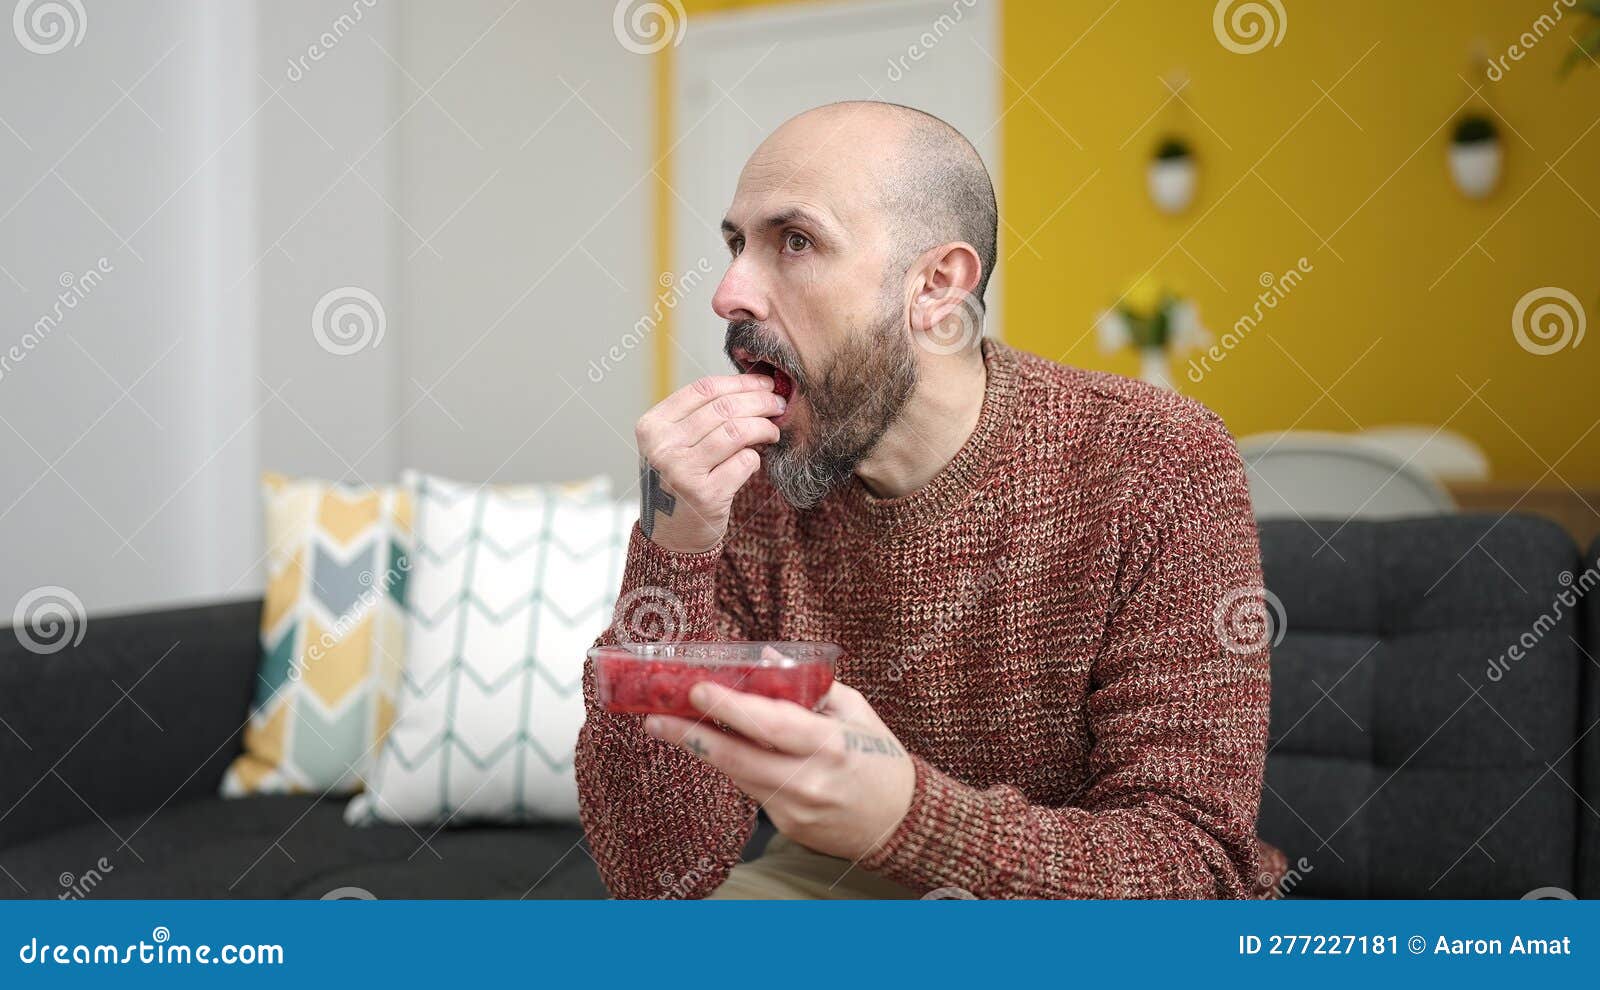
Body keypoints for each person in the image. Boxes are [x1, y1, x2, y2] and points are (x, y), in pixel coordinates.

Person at [575, 100, 1284, 899]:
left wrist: (907, 817)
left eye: (795, 241)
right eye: (738, 245)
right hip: (837, 876)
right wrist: (673, 547)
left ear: (937, 285)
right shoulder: (750, 484)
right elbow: (656, 878)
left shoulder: (1157, 459)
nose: (728, 293)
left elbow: (1193, 868)